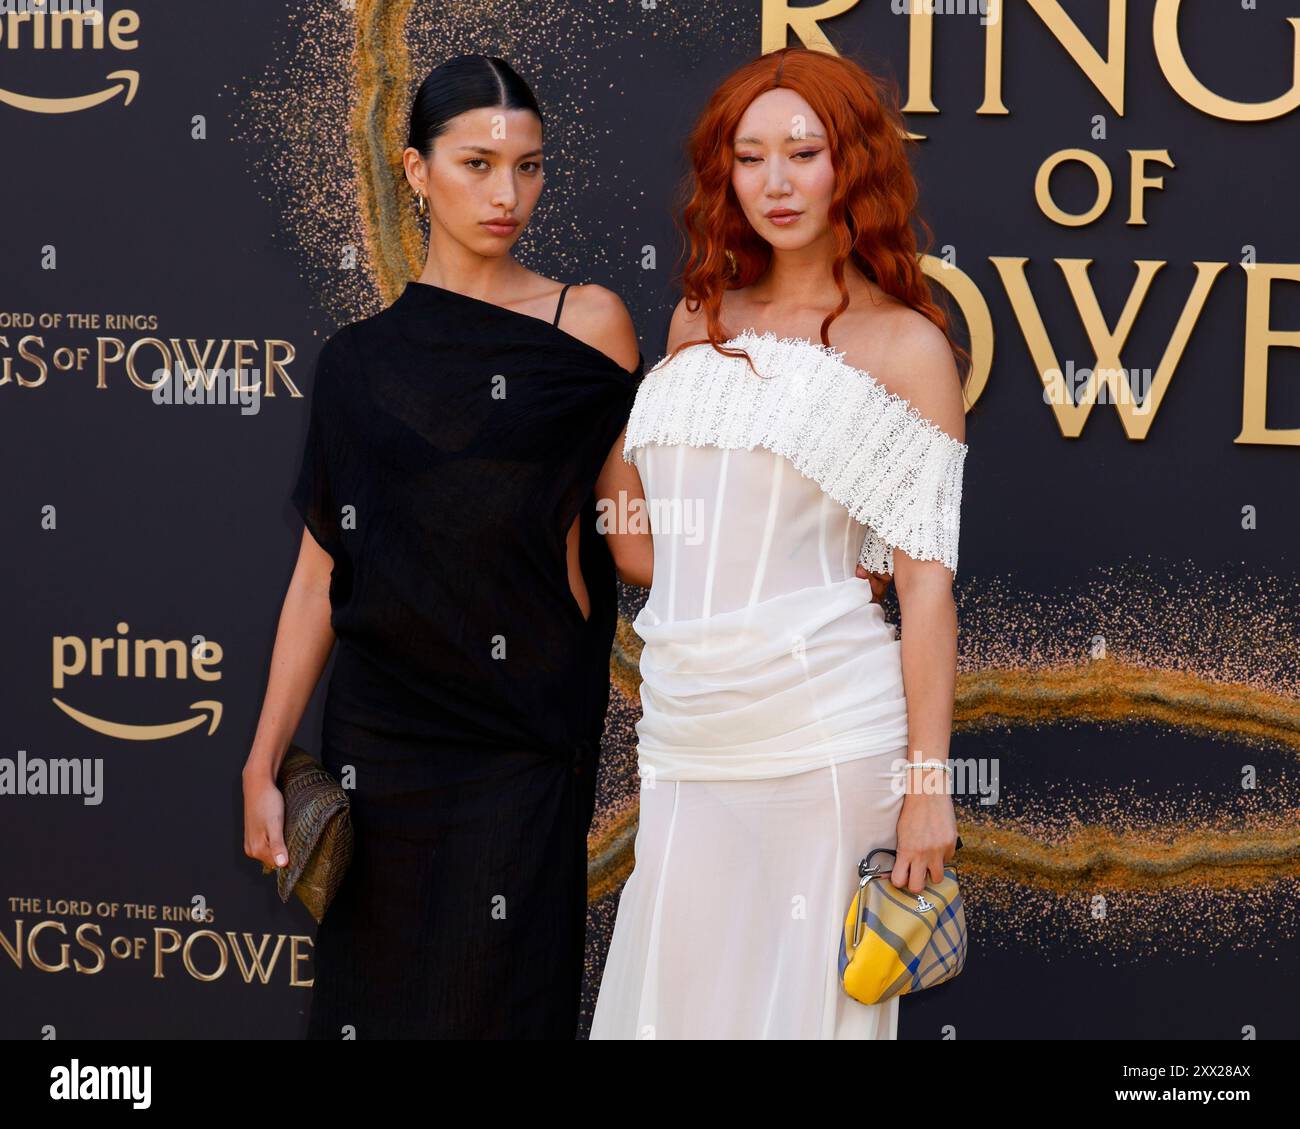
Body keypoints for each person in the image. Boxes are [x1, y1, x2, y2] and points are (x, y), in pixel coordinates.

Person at [241, 54, 648, 1039]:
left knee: (497, 1001)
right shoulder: (356, 366)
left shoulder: (587, 325)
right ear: (415, 172)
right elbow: (318, 577)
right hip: (384, 739)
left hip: (521, 737)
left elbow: (631, 546)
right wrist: (260, 765)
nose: (507, 193)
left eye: (529, 166)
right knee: (376, 1007)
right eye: (476, 164)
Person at [589, 46, 970, 1039]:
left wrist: (926, 791)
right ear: (725, 175)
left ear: (851, 165)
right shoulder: (692, 321)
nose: (777, 182)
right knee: (674, 1011)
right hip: (683, 735)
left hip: (824, 739)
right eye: (750, 157)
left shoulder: (907, 347)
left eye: (803, 152)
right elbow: (641, 550)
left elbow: (925, 589)